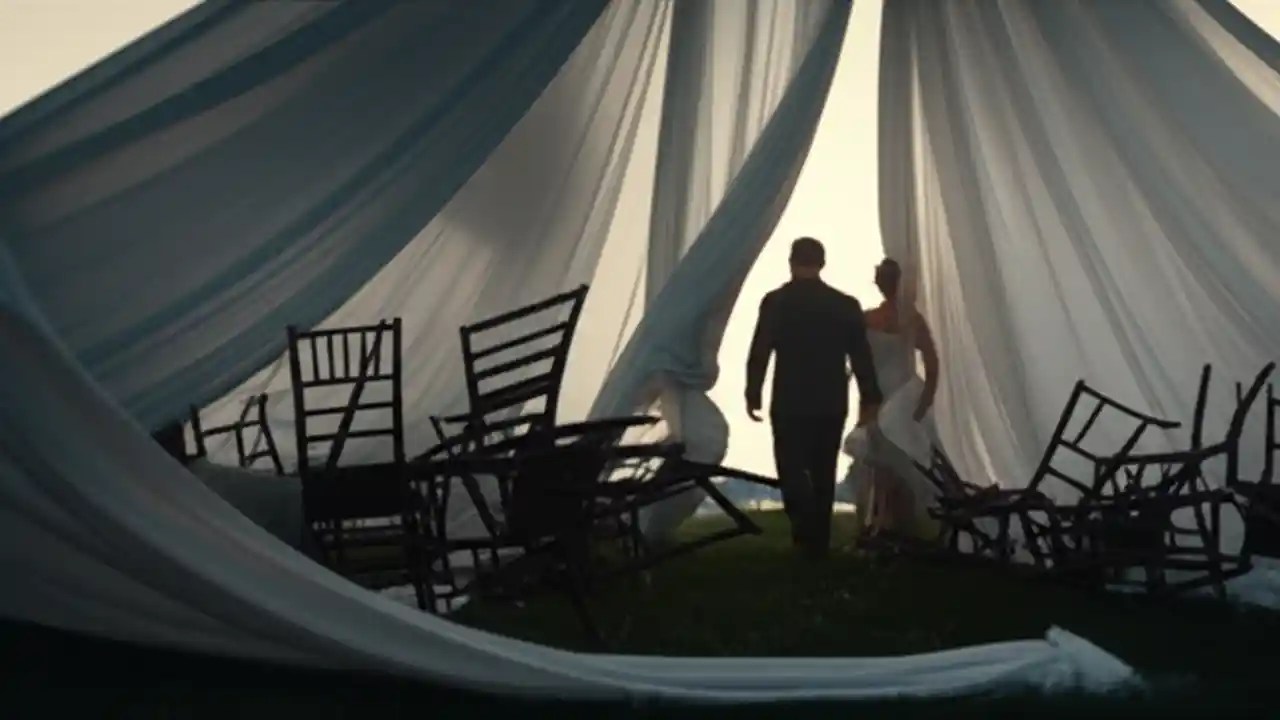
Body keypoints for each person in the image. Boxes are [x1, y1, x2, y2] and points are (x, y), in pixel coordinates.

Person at [746, 237, 883, 558]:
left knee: (790, 467)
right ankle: (819, 538)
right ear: (822, 263)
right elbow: (861, 356)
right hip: (830, 398)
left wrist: (753, 391)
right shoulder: (845, 305)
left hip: (789, 398)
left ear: (791, 262)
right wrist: (870, 394)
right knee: (824, 469)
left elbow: (761, 350)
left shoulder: (775, 302)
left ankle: (802, 527)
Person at [837, 258, 942, 546]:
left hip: (884, 395)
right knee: (893, 459)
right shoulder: (910, 320)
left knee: (882, 461)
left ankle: (882, 521)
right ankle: (888, 522)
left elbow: (855, 364)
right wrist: (924, 402)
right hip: (898, 394)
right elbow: (932, 366)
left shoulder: (870, 319)